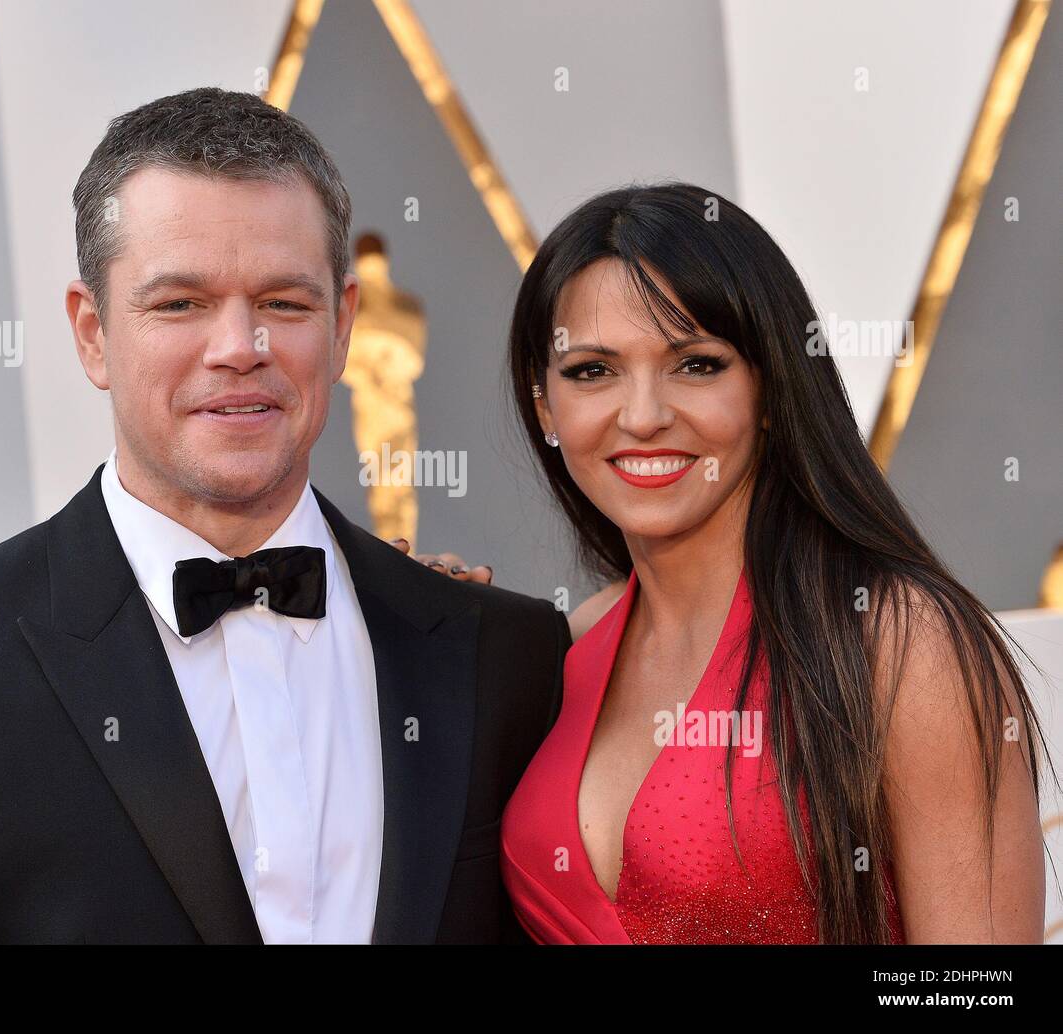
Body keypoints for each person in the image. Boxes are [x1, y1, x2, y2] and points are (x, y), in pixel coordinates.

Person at [0, 88, 568, 944]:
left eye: (284, 303)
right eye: (180, 304)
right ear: (92, 333)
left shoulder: (503, 655)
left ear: (342, 327)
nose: (239, 346)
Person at [425, 183, 1050, 943]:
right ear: (545, 405)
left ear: (770, 387)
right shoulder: (570, 646)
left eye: (695, 365)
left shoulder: (900, 642)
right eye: (593, 370)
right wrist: (418, 632)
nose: (645, 415)